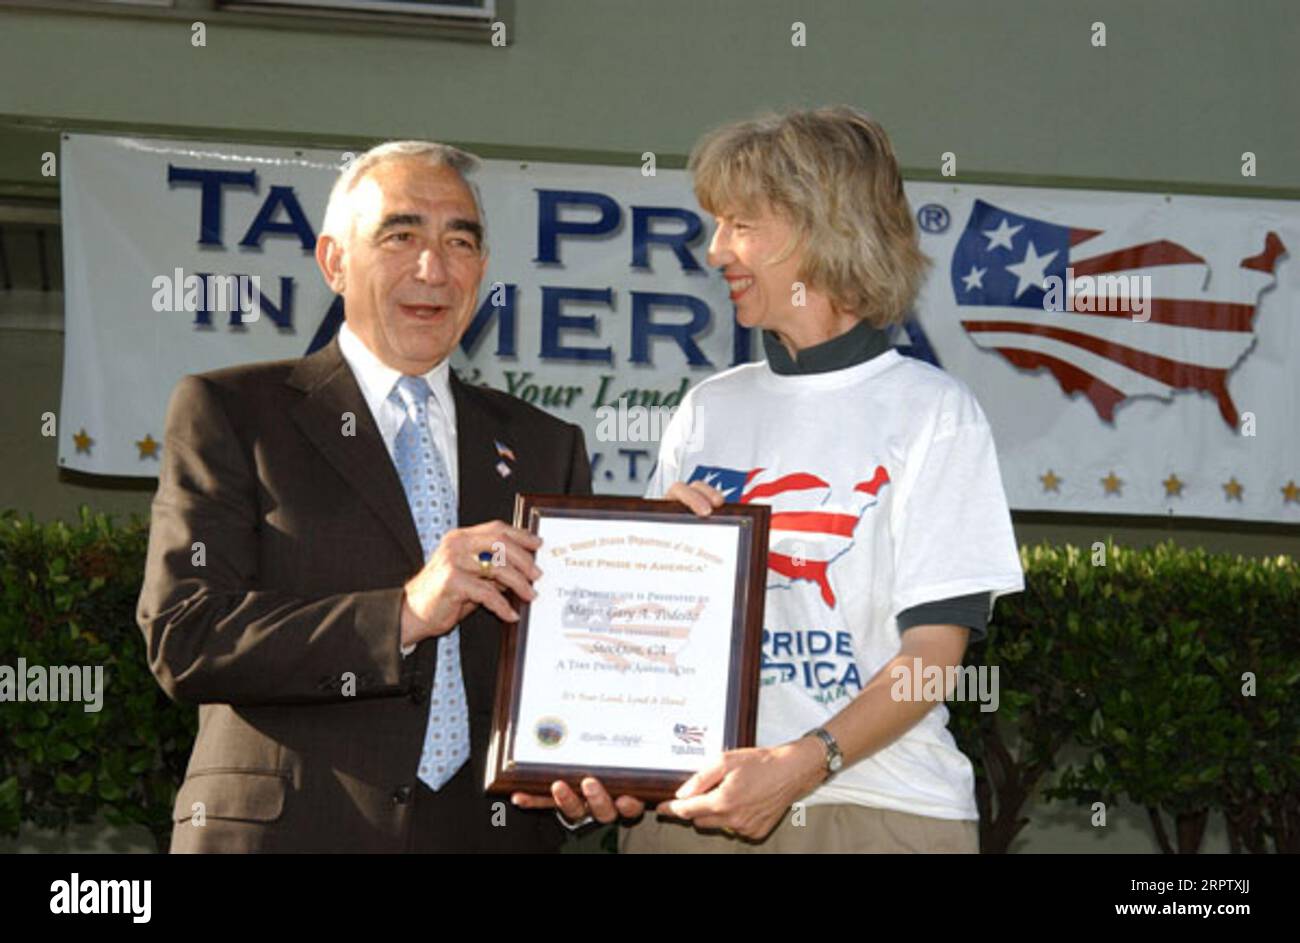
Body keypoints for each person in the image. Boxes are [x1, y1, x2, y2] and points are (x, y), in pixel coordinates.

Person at [516, 107, 1024, 852]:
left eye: (740, 223)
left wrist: (799, 765)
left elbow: (933, 661)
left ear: (824, 229)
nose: (715, 248)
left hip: (877, 805)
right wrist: (644, 569)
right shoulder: (707, 407)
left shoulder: (933, 411)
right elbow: (649, 646)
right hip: (692, 807)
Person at [137, 141, 591, 852]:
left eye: (459, 241)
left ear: (482, 271)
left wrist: (579, 781)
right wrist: (403, 613)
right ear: (334, 260)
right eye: (401, 235)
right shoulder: (231, 411)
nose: (432, 268)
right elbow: (185, 636)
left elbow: (571, 663)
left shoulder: (545, 445)